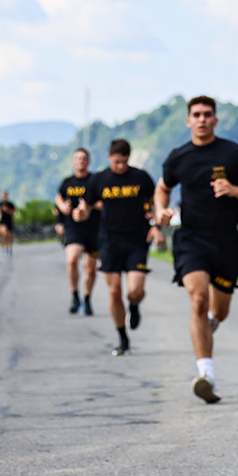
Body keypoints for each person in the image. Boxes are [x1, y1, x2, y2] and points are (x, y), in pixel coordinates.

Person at [155, 96, 238, 404]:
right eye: (196, 115)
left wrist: (234, 190)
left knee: (221, 311)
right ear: (188, 120)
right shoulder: (178, 157)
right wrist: (160, 211)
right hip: (190, 239)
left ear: (215, 120)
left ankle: (211, 321)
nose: (202, 119)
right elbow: (163, 187)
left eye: (207, 115)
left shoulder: (232, 153)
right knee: (198, 299)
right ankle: (207, 375)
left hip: (227, 241)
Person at [79, 138, 161, 355]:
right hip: (109, 241)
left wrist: (156, 224)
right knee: (114, 291)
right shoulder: (99, 180)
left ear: (129, 158)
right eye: (116, 162)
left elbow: (156, 201)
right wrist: (81, 213)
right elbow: (86, 207)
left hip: (137, 241)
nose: (120, 166)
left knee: (135, 290)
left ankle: (134, 307)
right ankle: (123, 338)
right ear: (109, 158)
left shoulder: (141, 177)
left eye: (124, 162)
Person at [56, 149, 100, 315]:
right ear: (73, 162)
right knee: (72, 260)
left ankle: (87, 298)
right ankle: (75, 294)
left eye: (84, 158)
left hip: (93, 228)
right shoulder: (67, 182)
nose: (81, 161)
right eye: (77, 158)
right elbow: (59, 198)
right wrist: (61, 209)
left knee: (90, 268)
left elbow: (104, 202)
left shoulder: (95, 181)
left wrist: (89, 206)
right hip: (73, 227)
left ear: (88, 162)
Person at [0, 191, 16, 257]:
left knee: (9, 235)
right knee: (4, 233)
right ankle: (4, 247)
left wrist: (7, 210)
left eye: (5, 196)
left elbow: (14, 213)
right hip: (3, 221)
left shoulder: (10, 204)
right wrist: (0, 210)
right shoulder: (0, 204)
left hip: (9, 221)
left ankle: (9, 248)